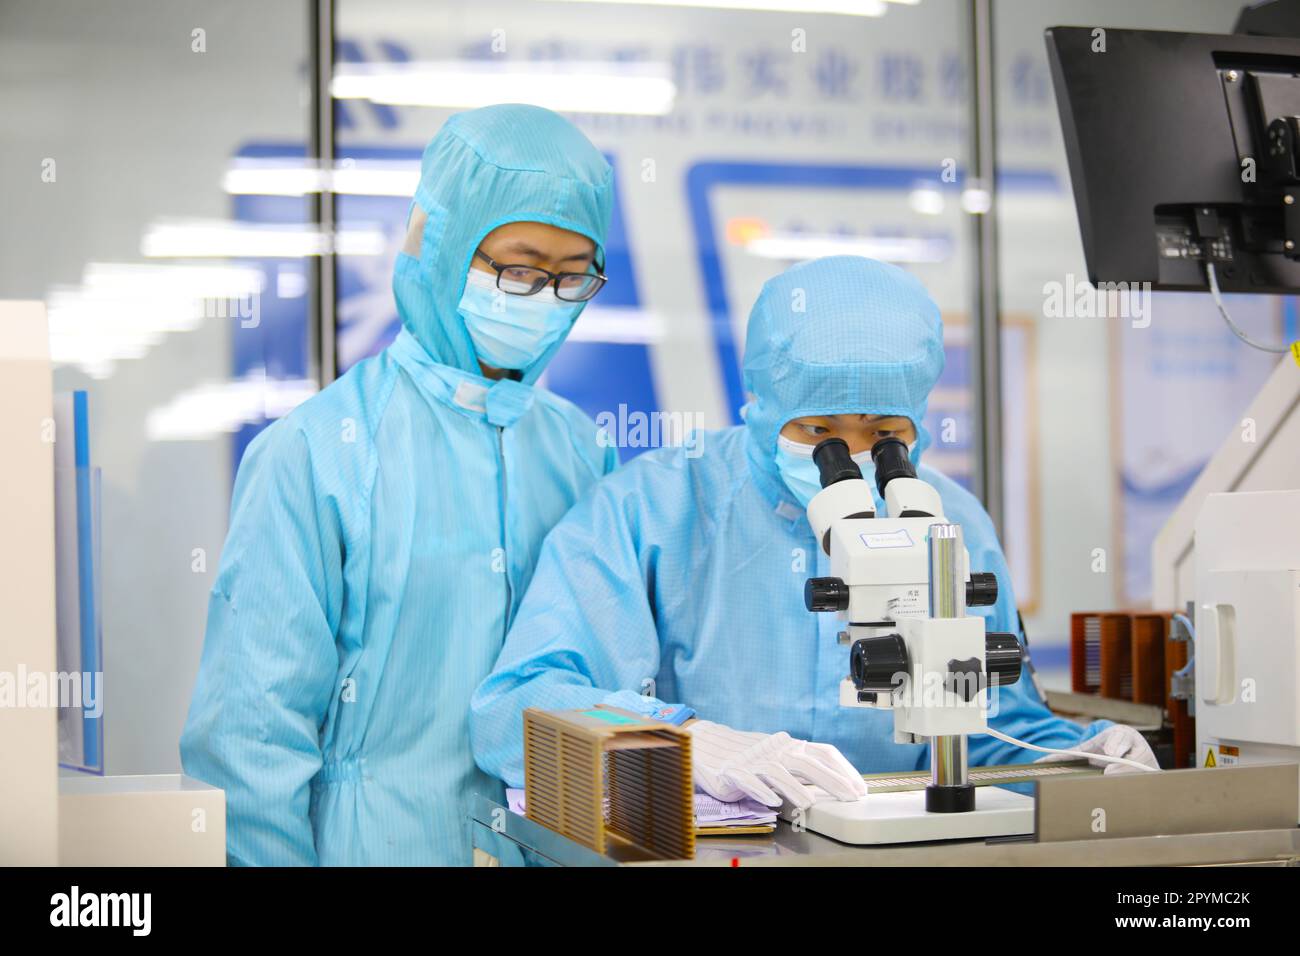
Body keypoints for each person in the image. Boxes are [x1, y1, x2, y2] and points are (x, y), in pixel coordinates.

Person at [470, 255, 1156, 808]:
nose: (852, 460)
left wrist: (1085, 755)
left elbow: (991, 728)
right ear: (768, 407)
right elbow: (517, 711)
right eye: (822, 432)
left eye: (885, 434)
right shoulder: (653, 508)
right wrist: (685, 745)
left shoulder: (951, 524)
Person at [180, 104, 617, 865]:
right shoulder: (317, 455)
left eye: (571, 277)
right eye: (518, 267)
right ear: (441, 243)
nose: (543, 296)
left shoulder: (580, 454)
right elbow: (253, 739)